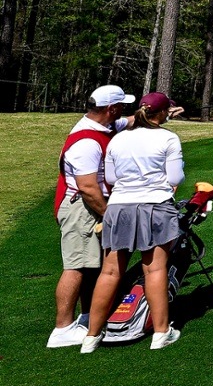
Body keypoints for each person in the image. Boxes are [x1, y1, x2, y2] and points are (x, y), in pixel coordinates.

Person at [81, 91, 185, 353]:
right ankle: (161, 333)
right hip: (155, 205)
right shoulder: (168, 138)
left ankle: (91, 337)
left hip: (119, 207)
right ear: (163, 113)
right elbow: (175, 177)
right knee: (155, 269)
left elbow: (112, 178)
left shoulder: (118, 139)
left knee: (110, 271)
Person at [48, 85, 134, 348]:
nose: (123, 110)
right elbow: (87, 188)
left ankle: (87, 317)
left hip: (89, 207)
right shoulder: (87, 142)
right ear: (111, 108)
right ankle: (62, 329)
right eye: (121, 105)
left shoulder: (102, 126)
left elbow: (128, 121)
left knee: (91, 265)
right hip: (82, 208)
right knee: (76, 266)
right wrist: (109, 215)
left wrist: (158, 112)